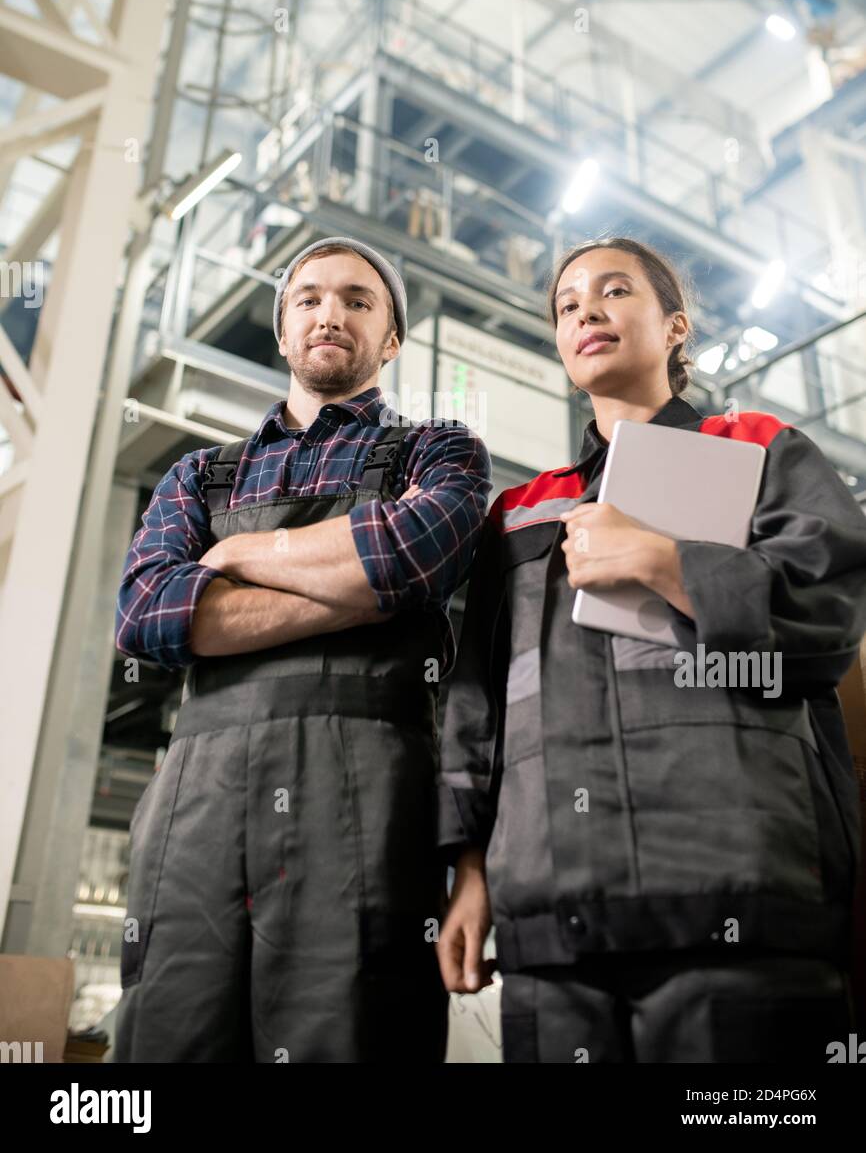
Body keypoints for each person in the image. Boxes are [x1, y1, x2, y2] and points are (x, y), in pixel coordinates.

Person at [436, 235, 866, 1064]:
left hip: (740, 897)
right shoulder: (524, 513)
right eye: (566, 306)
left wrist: (670, 564)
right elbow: (474, 703)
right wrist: (470, 870)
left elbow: (827, 618)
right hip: (552, 915)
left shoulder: (759, 448)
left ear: (675, 327)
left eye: (614, 292)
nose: (585, 312)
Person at [113, 235, 491, 1063]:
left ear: (391, 340)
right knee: (170, 1034)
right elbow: (148, 613)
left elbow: (408, 556)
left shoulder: (437, 450)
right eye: (311, 297)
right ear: (283, 329)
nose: (332, 313)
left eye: (359, 301)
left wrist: (238, 558)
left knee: (349, 1026)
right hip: (197, 801)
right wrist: (350, 590)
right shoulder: (200, 477)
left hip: (367, 793)